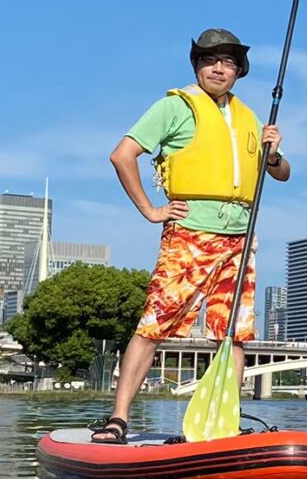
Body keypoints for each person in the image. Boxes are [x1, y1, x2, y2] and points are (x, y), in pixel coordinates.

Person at [92, 28, 290, 444]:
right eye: (209, 60)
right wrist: (151, 210)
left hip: (240, 239)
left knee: (234, 334)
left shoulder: (249, 118)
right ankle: (118, 419)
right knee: (155, 324)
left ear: (239, 71)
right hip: (190, 234)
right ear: (197, 65)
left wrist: (272, 154)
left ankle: (226, 423)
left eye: (228, 62)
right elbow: (122, 155)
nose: (218, 68)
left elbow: (282, 173)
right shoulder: (175, 106)